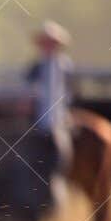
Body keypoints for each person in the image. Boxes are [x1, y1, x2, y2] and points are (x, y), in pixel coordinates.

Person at [25, 20, 73, 174]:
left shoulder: (65, 66)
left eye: (51, 43)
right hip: (38, 116)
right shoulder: (35, 67)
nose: (48, 46)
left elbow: (70, 92)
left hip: (60, 115)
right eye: (46, 43)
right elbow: (28, 91)